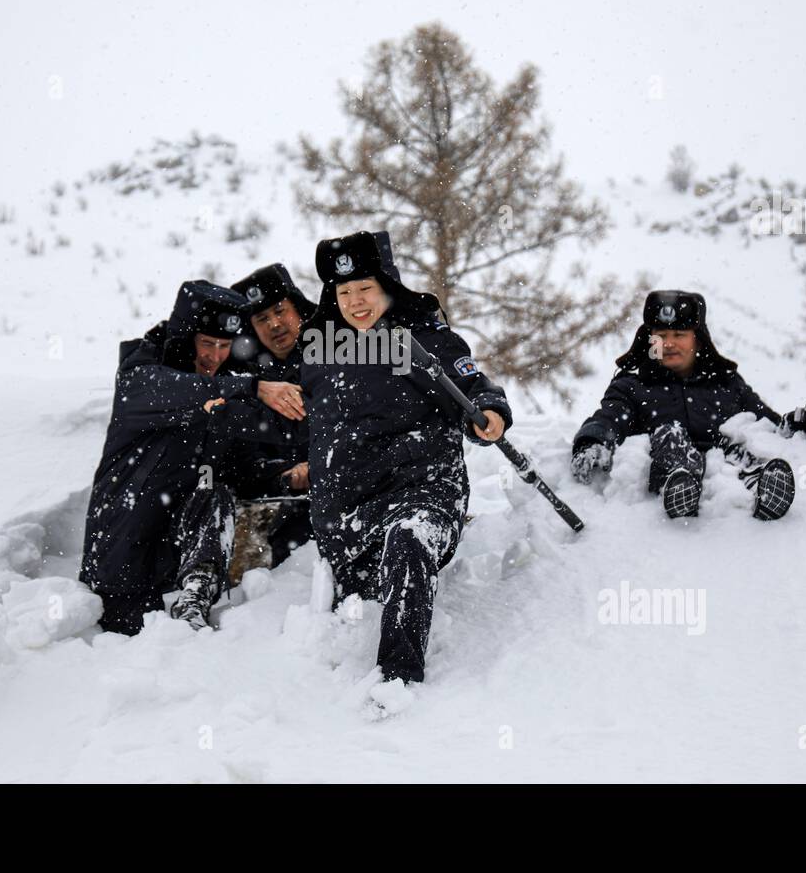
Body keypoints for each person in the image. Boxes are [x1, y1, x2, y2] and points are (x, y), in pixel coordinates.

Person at [299, 230, 512, 689]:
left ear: (388, 287)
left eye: (366, 289)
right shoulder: (317, 350)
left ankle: (398, 680)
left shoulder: (423, 338)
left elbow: (471, 383)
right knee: (369, 577)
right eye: (345, 292)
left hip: (425, 489)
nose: (356, 302)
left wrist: (490, 410)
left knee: (409, 540)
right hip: (348, 510)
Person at [79, 280, 298, 634]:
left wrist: (288, 476)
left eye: (225, 345)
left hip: (175, 573)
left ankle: (197, 593)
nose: (214, 357)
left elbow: (243, 471)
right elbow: (173, 391)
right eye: (207, 343)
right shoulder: (142, 376)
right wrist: (250, 387)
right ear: (185, 338)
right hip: (120, 570)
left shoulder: (222, 395)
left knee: (215, 489)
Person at [570, 289, 806, 520]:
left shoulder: (726, 384)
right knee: (669, 433)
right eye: (661, 334)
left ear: (698, 338)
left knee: (738, 440)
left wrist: (801, 424)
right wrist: (592, 442)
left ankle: (764, 488)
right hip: (667, 468)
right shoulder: (632, 386)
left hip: (727, 472)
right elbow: (608, 417)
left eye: (679, 334)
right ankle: (679, 486)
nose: (669, 343)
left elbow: (765, 424)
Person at [228, 263, 316, 567]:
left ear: (299, 309)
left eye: (280, 311)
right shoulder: (244, 380)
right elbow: (239, 456)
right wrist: (281, 476)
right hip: (272, 508)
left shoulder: (335, 354)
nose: (274, 324)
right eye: (262, 318)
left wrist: (318, 465)